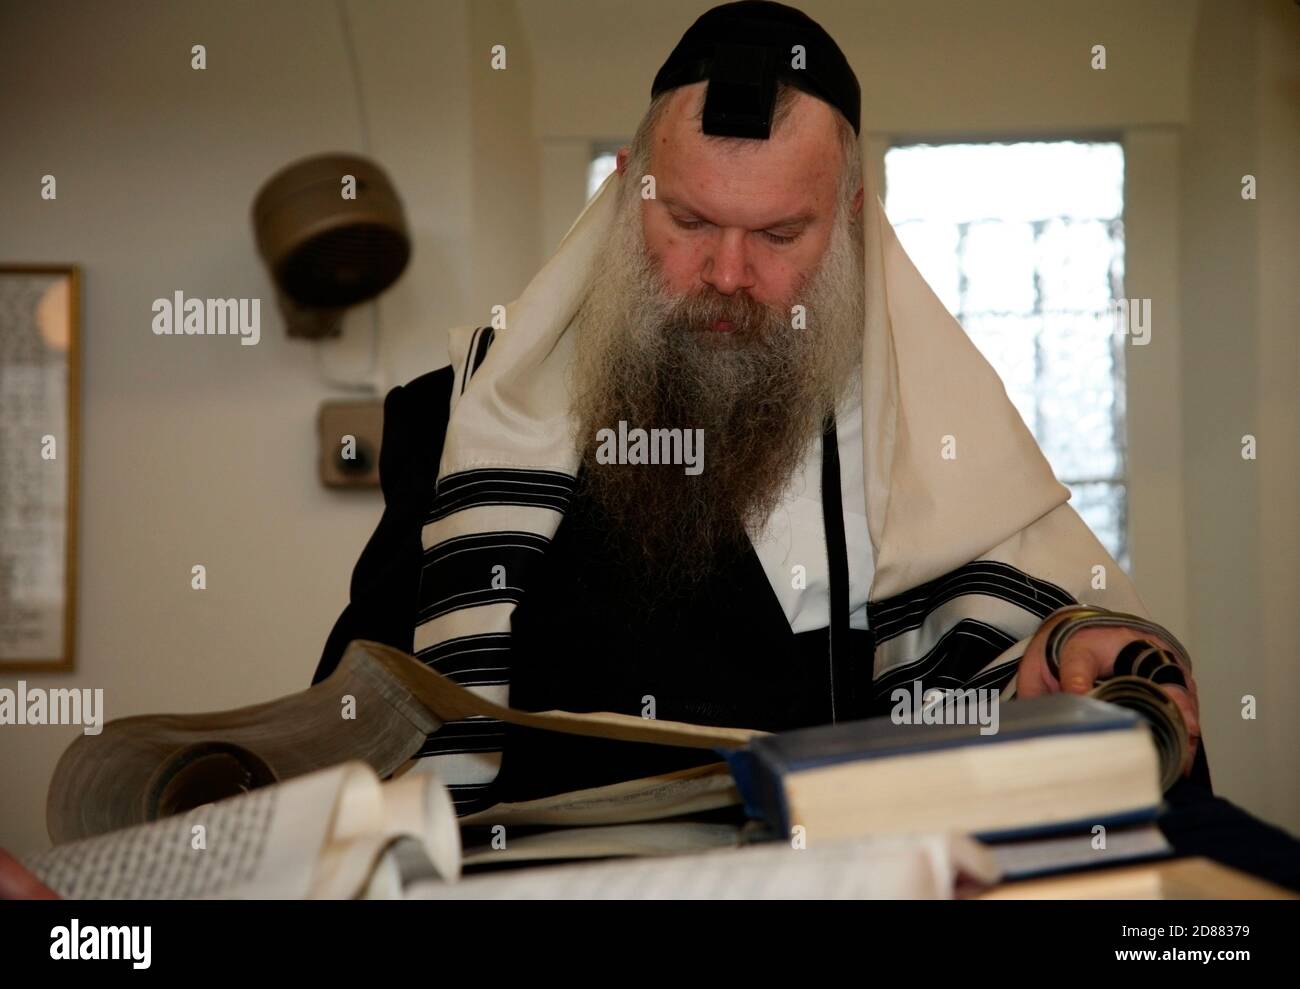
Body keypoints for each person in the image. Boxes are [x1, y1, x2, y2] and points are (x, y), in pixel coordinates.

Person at [313, 0, 1207, 816]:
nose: (729, 276)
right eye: (691, 223)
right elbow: (357, 732)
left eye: (780, 235)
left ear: (851, 219)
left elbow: (1032, 681)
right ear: (628, 194)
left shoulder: (923, 460)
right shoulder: (457, 429)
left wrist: (1062, 659)